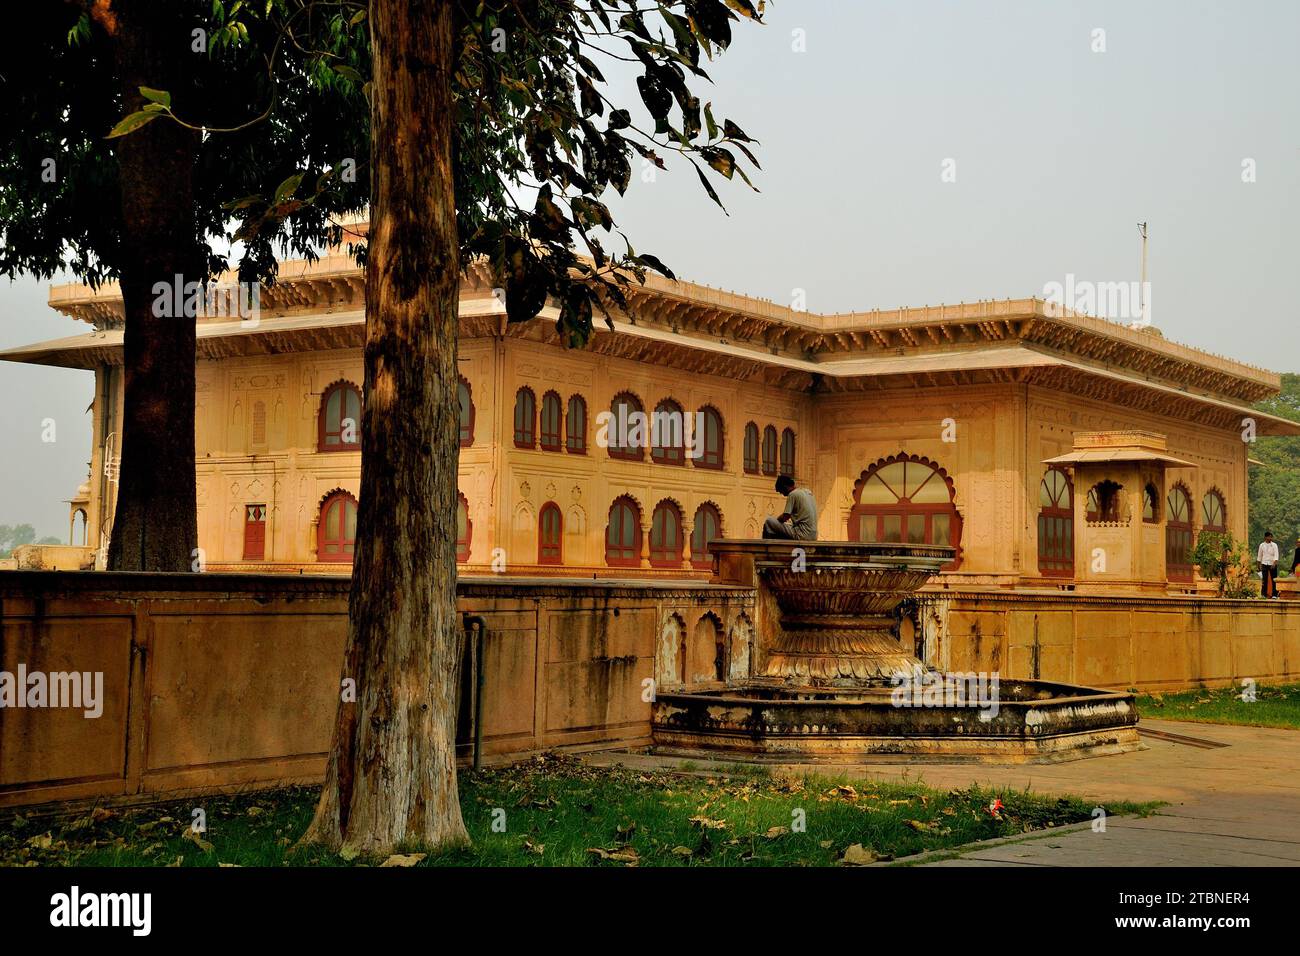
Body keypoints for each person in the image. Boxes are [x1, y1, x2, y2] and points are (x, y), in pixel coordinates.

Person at [762, 474, 818, 541]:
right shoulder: (808, 492)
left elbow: (785, 517)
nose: (782, 494)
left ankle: (767, 546)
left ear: (785, 487)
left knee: (769, 521)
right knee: (787, 527)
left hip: (801, 534)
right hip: (814, 536)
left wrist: (778, 520)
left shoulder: (792, 494)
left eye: (781, 491)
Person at [1257, 530, 1280, 599]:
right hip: (1264, 563)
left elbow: (1276, 555)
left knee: (1274, 579)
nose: (1270, 538)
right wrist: (1258, 565)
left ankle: (1274, 594)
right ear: (1265, 537)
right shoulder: (1262, 545)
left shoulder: (1274, 545)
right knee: (1264, 580)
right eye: (1269, 537)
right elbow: (1259, 556)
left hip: (1272, 564)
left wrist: (1274, 563)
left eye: (1271, 537)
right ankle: (1263, 594)